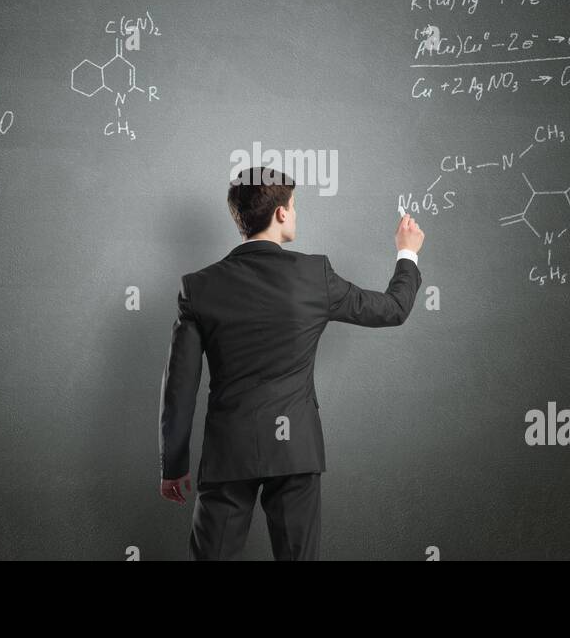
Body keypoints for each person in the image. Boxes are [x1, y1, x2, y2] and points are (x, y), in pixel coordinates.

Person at [158, 166, 424, 560]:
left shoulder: (198, 287)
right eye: (294, 206)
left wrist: (173, 464)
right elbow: (393, 309)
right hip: (295, 451)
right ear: (281, 213)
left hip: (230, 453)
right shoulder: (315, 275)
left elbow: (180, 388)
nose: (295, 214)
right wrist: (407, 252)